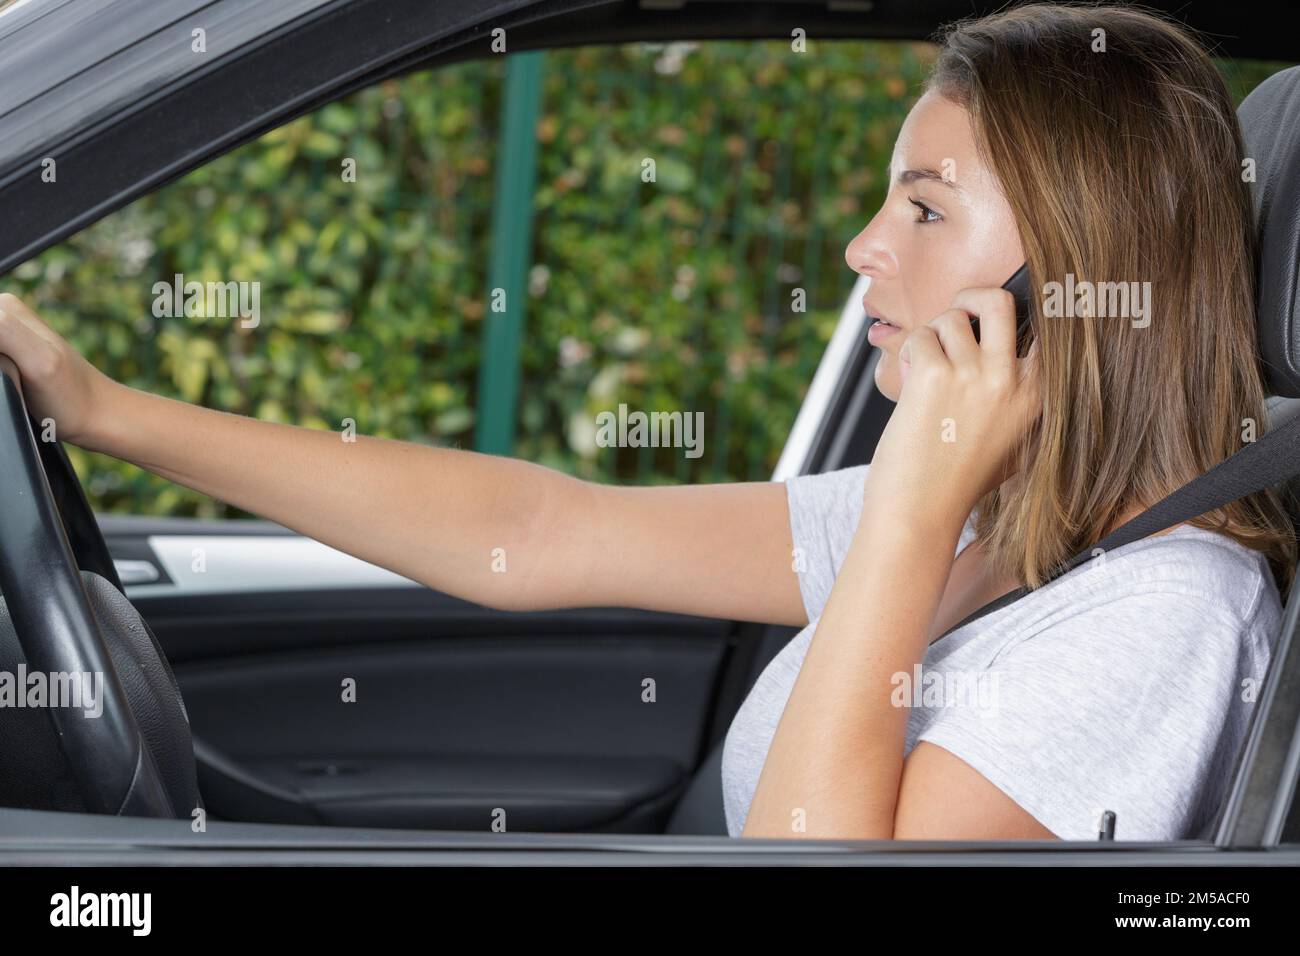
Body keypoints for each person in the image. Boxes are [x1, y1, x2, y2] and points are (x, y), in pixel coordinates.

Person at [0, 1, 1292, 841]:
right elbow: (539, 533)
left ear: (1072, 270)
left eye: (925, 210)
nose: (860, 247)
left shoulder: (1155, 624)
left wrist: (910, 509)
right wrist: (106, 412)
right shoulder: (1010, 523)